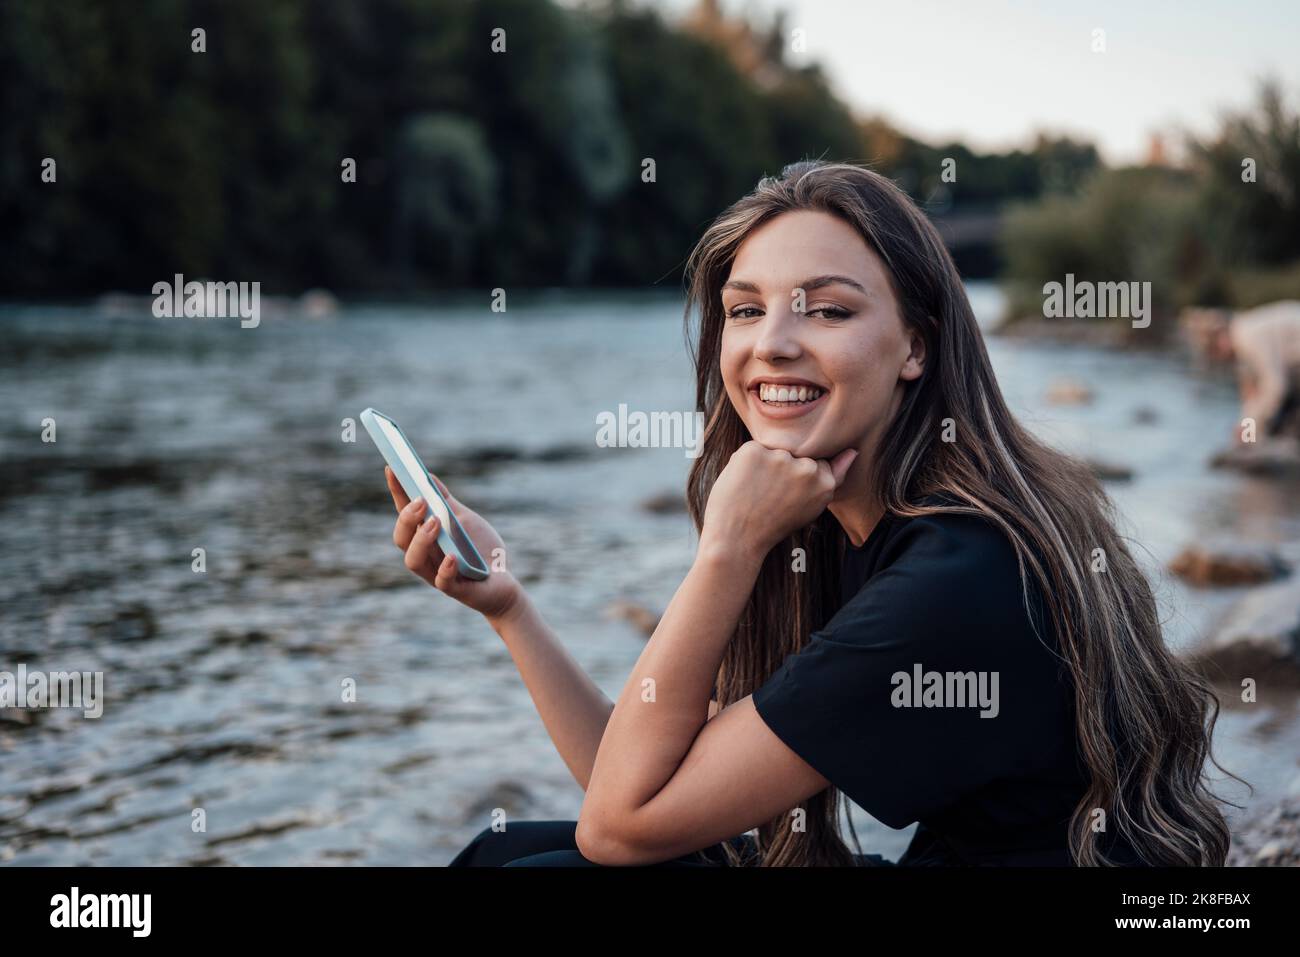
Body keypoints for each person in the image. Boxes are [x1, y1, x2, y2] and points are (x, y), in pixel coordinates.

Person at [385, 161, 1236, 867]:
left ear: (917, 344)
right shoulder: (870, 517)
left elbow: (620, 825)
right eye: (746, 309)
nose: (773, 342)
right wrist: (512, 608)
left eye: (827, 309)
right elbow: (639, 784)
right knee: (508, 852)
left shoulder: (956, 574)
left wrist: (728, 548)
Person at [1184, 300, 1300, 441]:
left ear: (1220, 339)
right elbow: (1250, 396)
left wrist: (1250, 425)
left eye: (1215, 352)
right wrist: (1247, 426)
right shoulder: (1242, 335)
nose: (1221, 360)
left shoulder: (1247, 339)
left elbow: (1275, 386)